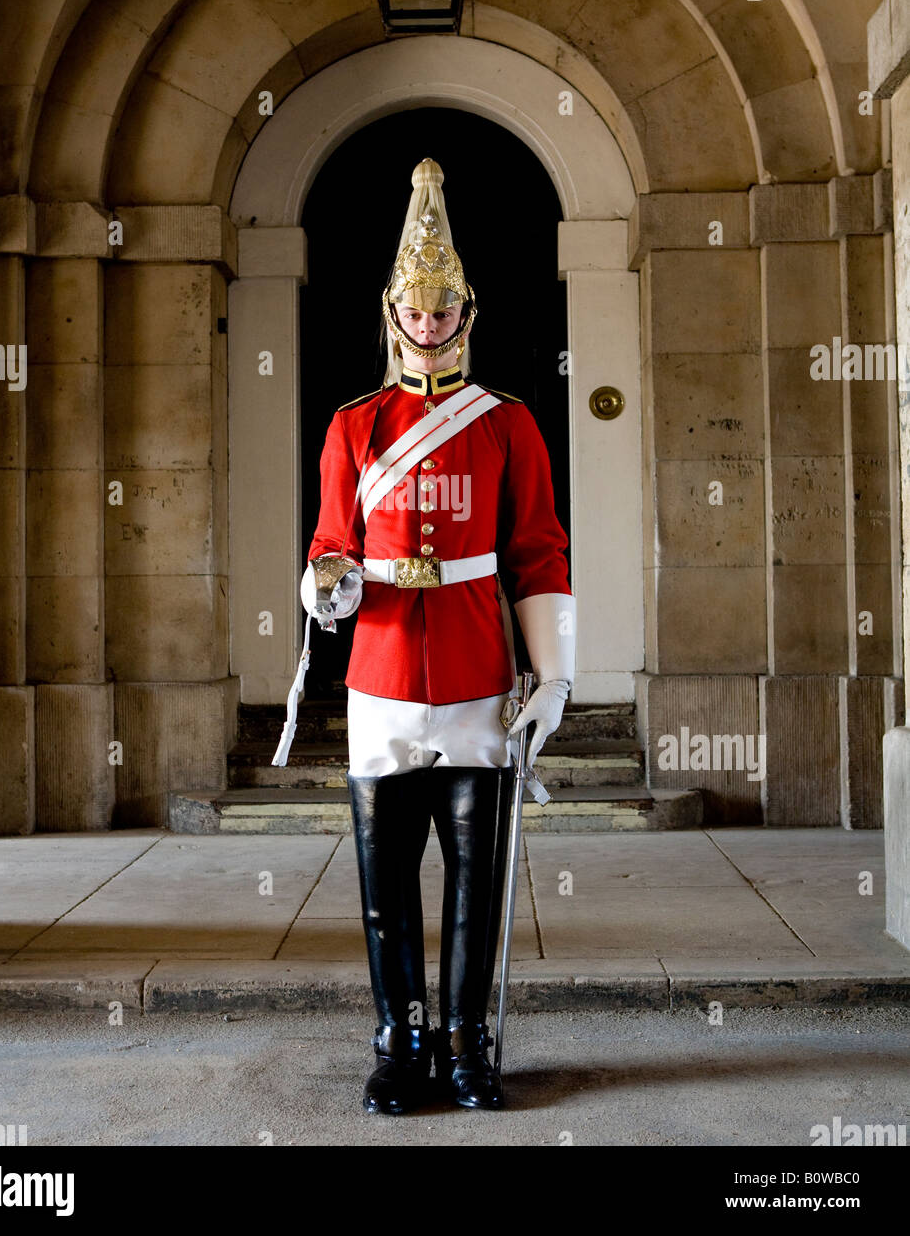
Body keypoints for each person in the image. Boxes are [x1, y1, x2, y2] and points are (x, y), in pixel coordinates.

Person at [294, 157, 575, 1113]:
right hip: (378, 679)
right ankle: (397, 1040)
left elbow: (537, 553)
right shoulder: (353, 428)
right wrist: (325, 587)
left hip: (475, 678)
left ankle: (466, 1043)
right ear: (390, 311)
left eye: (441, 306)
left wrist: (556, 677)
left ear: (465, 310)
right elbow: (331, 543)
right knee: (383, 889)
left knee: (474, 883)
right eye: (413, 308)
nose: (426, 322)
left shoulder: (508, 425)